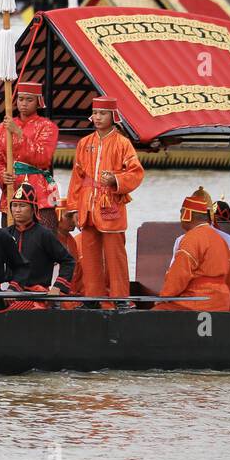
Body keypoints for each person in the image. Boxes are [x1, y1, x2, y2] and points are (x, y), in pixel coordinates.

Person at [66, 96, 143, 304]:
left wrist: (116, 179)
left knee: (115, 256)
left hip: (111, 205)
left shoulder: (122, 144)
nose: (98, 117)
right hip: (87, 206)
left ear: (113, 116)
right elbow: (76, 178)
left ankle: (120, 298)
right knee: (90, 257)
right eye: (96, 113)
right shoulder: (84, 143)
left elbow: (136, 172)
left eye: (103, 113)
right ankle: (93, 298)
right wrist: (73, 208)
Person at [0, 80, 60, 229]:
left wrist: (19, 133)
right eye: (21, 99)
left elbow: (43, 157)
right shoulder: (1, 128)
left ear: (38, 102)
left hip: (40, 194)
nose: (24, 103)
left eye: (29, 99)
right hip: (11, 191)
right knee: (10, 242)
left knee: (44, 242)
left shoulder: (48, 127)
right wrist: (3, 176)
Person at [157, 189, 230, 312]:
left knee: (157, 313)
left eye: (181, 213)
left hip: (199, 299)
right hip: (222, 300)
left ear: (187, 215)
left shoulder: (192, 238)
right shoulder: (221, 239)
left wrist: (165, 296)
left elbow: (179, 274)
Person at [4, 185, 76, 309]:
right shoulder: (5, 234)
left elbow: (68, 261)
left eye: (22, 206)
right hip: (9, 294)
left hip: (36, 296)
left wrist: (57, 287)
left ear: (33, 209)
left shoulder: (44, 234)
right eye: (14, 205)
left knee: (11, 313)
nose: (17, 210)